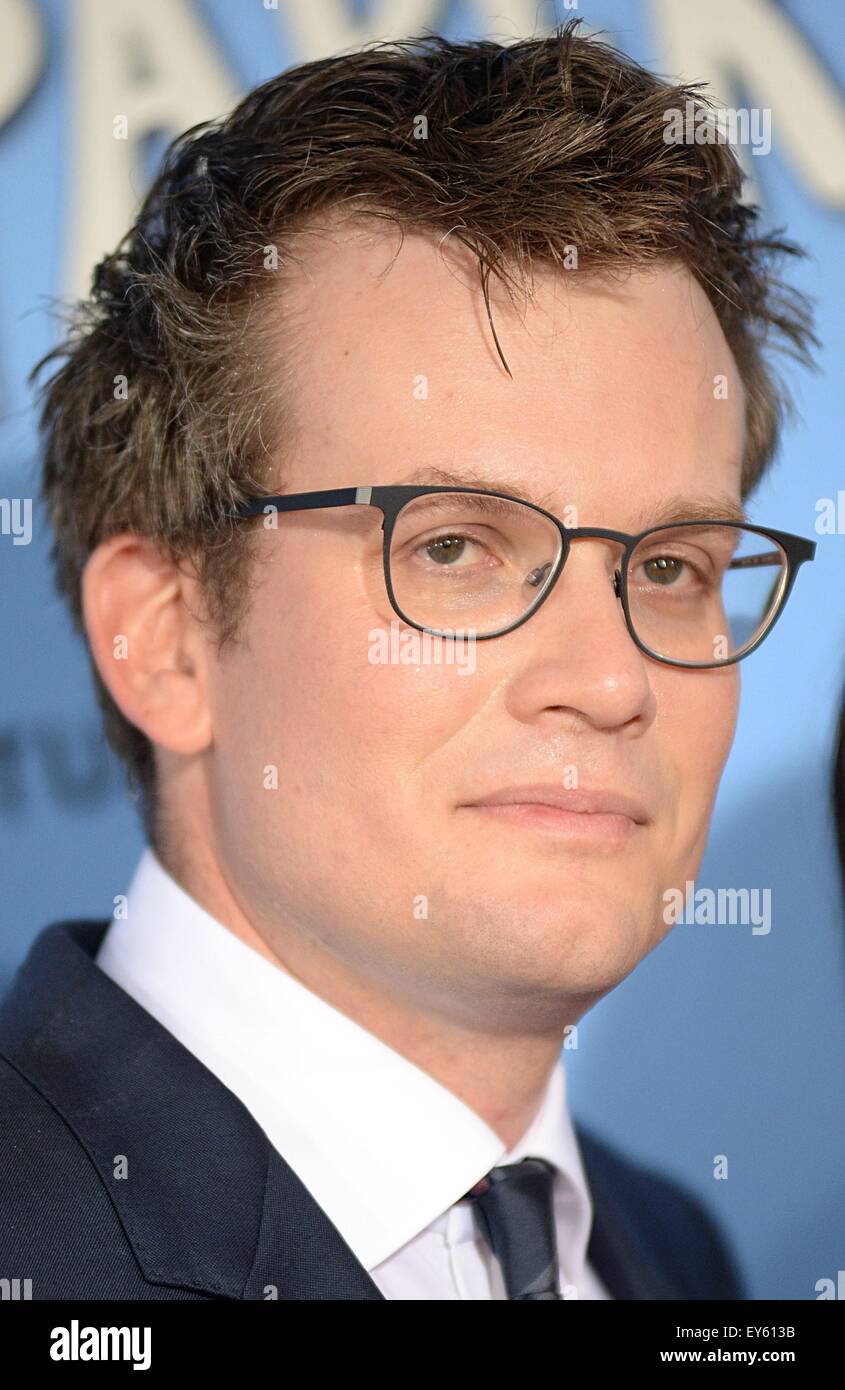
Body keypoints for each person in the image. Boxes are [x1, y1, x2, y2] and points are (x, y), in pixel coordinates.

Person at [0, 20, 819, 1300]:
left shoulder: (671, 1256)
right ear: (164, 637)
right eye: (452, 550)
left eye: (668, 566)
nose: (608, 683)